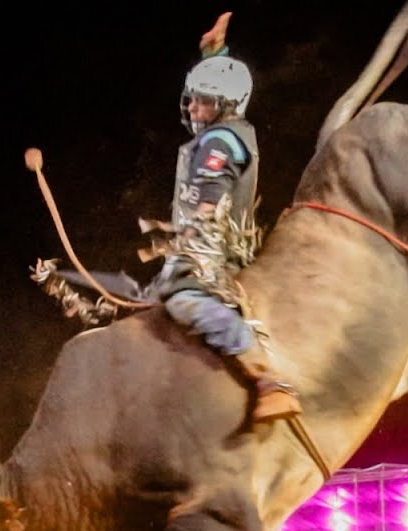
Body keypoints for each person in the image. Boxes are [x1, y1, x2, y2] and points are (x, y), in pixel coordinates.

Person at [149, 12, 302, 424]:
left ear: (225, 105)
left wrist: (194, 229)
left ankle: (269, 378)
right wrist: (214, 54)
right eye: (194, 97)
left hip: (212, 256)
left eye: (202, 99)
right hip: (198, 248)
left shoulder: (220, 140)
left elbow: (210, 190)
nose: (193, 106)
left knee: (184, 301)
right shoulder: (221, 129)